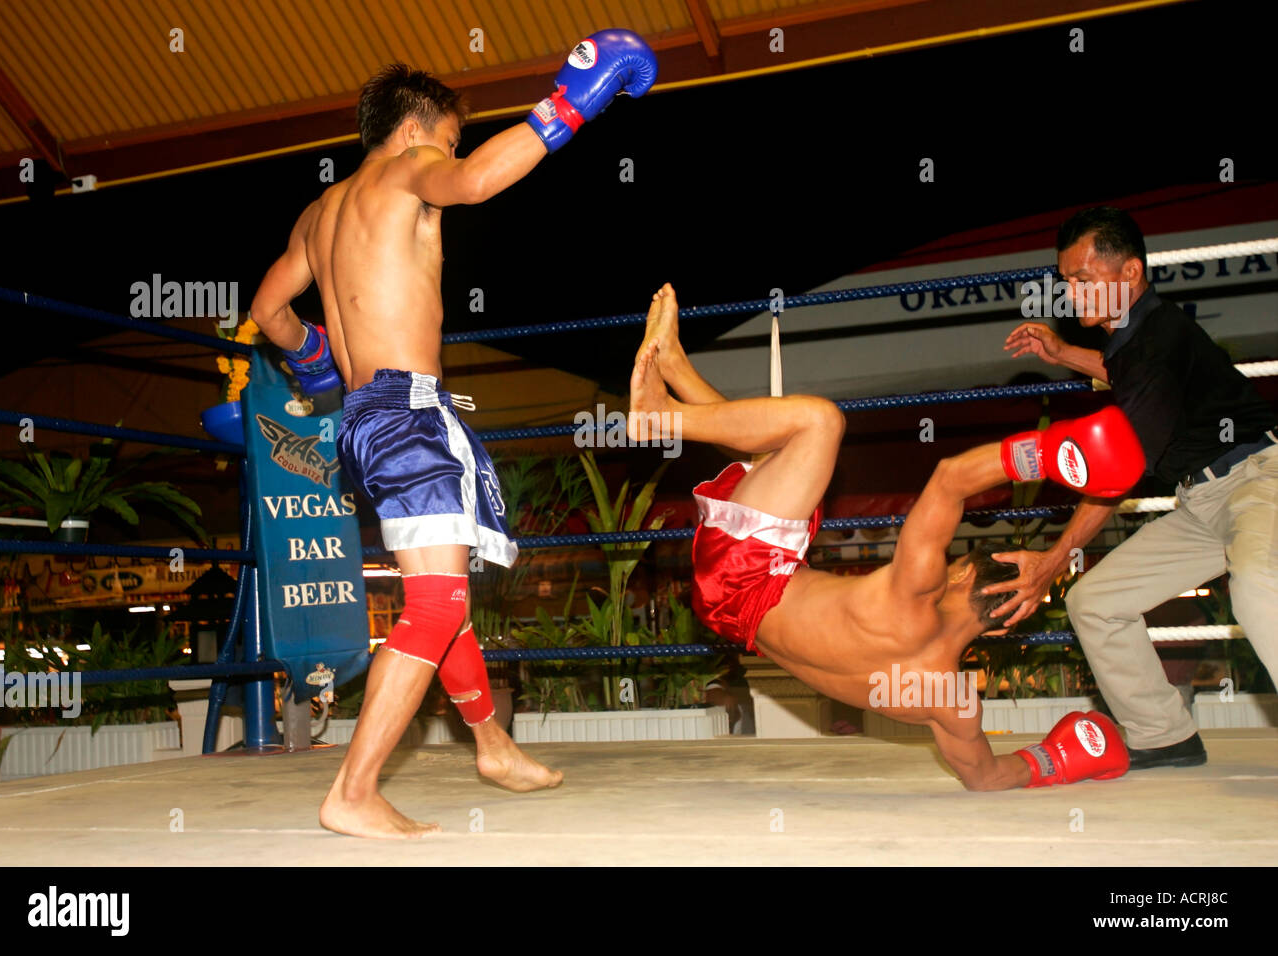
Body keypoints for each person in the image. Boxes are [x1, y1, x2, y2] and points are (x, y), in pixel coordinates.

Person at [249, 32, 658, 838]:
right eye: (448, 133)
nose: (450, 150)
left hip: (367, 421)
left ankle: (492, 744)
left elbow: (268, 313)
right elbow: (473, 181)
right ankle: (354, 792)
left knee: (444, 592)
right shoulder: (408, 169)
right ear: (414, 129)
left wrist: (317, 363)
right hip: (408, 412)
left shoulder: (318, 213)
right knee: (434, 604)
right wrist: (572, 102)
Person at [627, 284, 1139, 790]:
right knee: (775, 462)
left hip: (748, 572)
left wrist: (1047, 452)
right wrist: (1056, 760)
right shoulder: (953, 703)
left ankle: (660, 417)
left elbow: (949, 480)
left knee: (819, 424)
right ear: (1002, 629)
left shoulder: (913, 594)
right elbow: (985, 777)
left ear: (961, 571)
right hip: (740, 616)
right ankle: (676, 370)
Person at [988, 206, 1278, 769]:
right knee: (1095, 602)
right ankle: (1162, 734)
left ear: (1130, 275)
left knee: (1258, 583)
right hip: (1200, 502)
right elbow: (1125, 373)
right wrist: (1061, 352)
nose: (1071, 297)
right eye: (1066, 281)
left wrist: (1052, 558)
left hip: (1257, 479)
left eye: (1084, 279)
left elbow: (1117, 474)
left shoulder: (1157, 339)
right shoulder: (1137, 337)